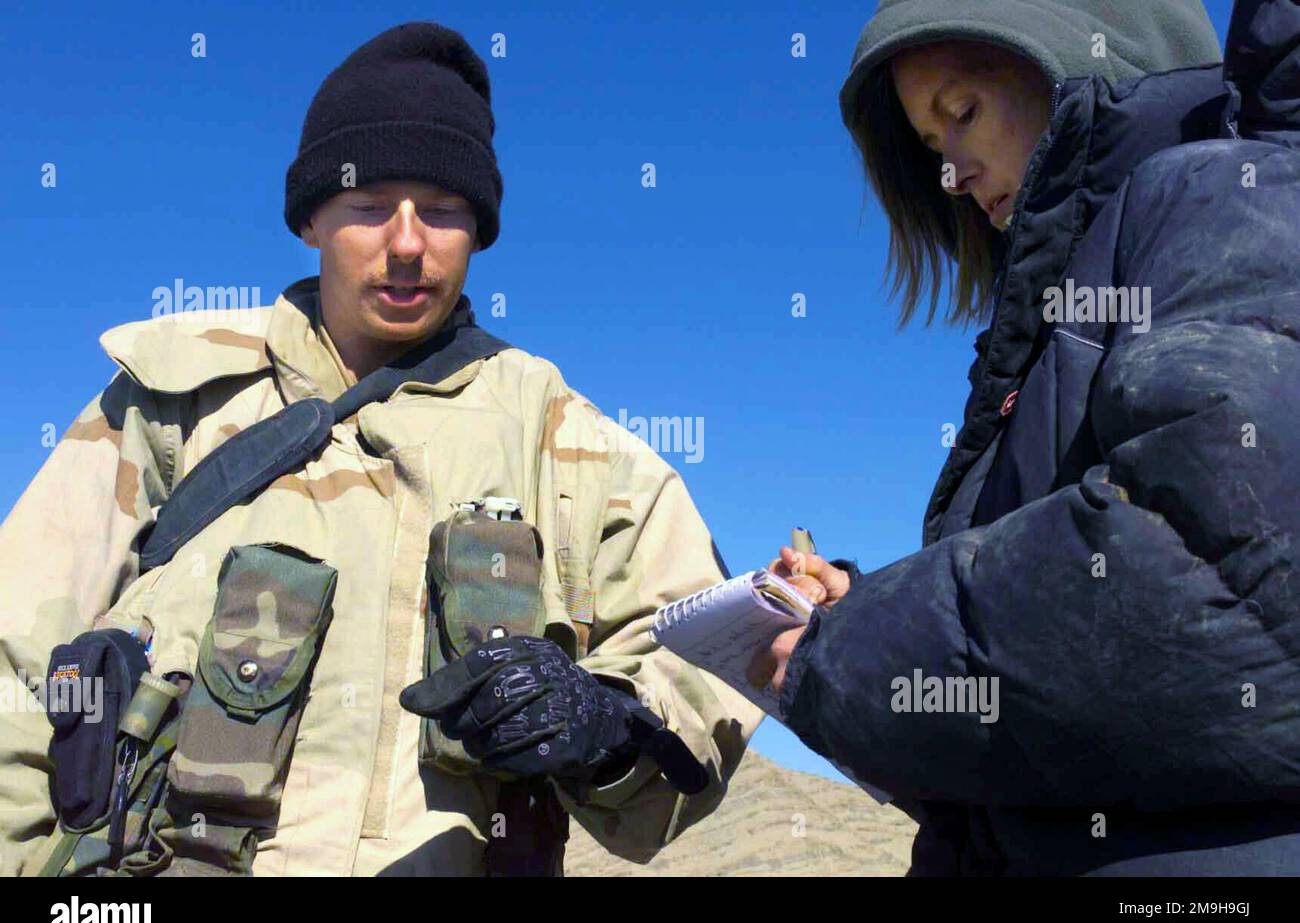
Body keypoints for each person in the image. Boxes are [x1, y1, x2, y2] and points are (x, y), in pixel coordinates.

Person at [0, 21, 760, 877]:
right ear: (311, 220)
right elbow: (16, 663)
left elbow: (707, 661)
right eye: (368, 206)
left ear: (478, 229)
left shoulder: (565, 439)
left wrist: (607, 726)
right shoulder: (173, 398)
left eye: (441, 210)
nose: (407, 243)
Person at [751, 0, 1300, 875]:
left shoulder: (1233, 200)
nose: (951, 176)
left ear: (1093, 59)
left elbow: (1212, 574)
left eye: (961, 113)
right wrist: (863, 611)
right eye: (931, 150)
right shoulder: (1060, 325)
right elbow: (1036, 732)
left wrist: (843, 659)